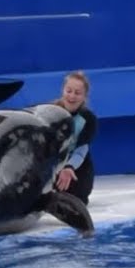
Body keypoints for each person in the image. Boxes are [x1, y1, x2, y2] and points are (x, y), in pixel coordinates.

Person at [54, 70, 98, 205]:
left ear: (84, 97)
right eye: (69, 91)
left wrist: (69, 167)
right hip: (54, 162)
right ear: (63, 91)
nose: (72, 96)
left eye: (77, 93)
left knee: (77, 198)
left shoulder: (88, 118)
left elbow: (81, 150)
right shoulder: (51, 111)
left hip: (77, 164)